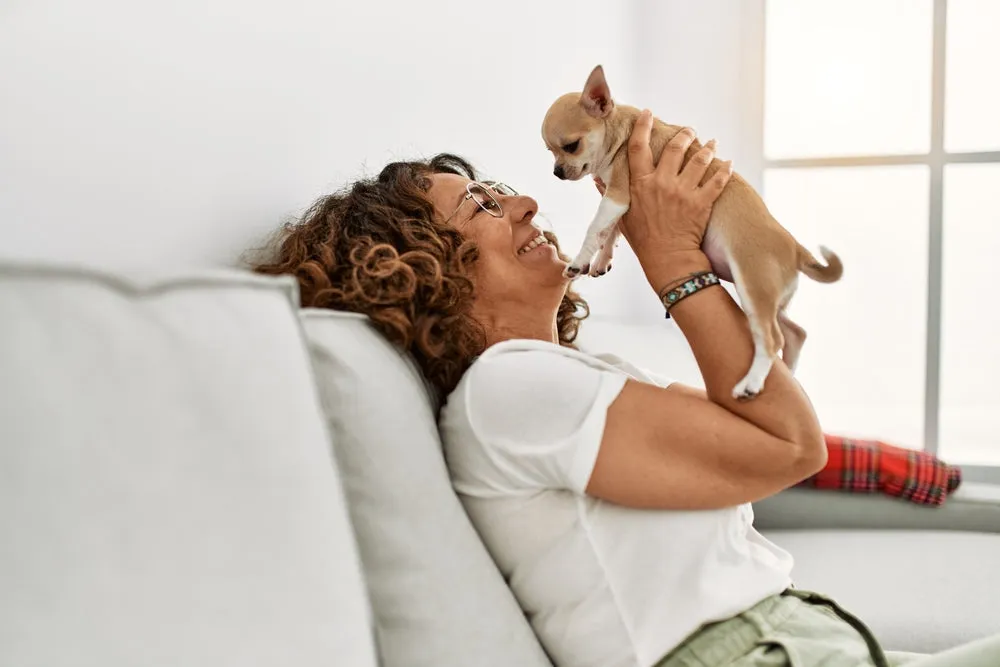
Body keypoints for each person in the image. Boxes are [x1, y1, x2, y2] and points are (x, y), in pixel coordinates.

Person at [253, 110, 1000, 667]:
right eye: (480, 206)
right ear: (423, 267)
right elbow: (791, 446)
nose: (526, 204)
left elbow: (746, 431)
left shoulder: (565, 383)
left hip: (788, 637)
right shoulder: (507, 391)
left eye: (498, 191)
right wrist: (673, 257)